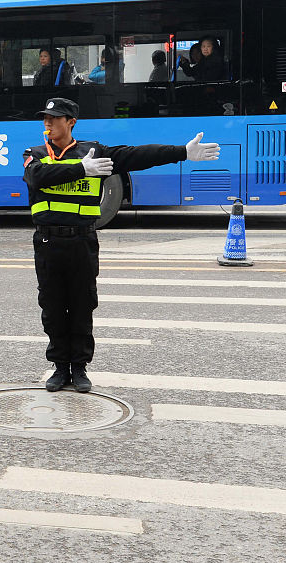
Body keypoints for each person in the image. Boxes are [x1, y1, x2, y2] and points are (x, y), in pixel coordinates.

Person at [23, 97, 220, 392]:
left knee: (82, 305)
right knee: (52, 307)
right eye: (45, 118)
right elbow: (35, 177)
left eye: (55, 118)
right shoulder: (35, 153)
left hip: (82, 241)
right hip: (49, 242)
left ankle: (79, 368)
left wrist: (181, 152)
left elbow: (137, 155)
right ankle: (59, 367)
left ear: (71, 122)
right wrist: (81, 170)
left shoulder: (95, 152)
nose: (48, 123)